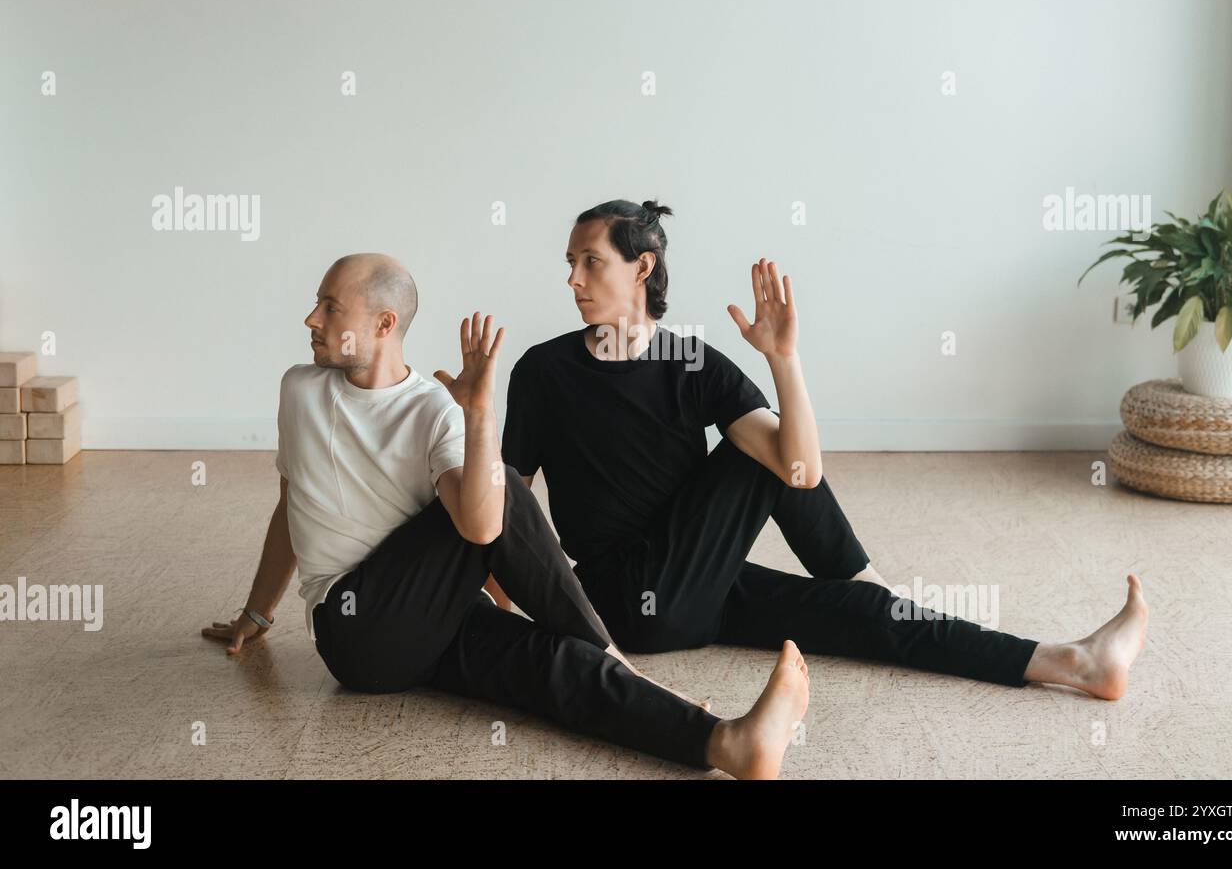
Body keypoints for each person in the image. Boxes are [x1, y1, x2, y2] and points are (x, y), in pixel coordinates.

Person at [501, 200, 1149, 700]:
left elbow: (803, 470)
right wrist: (521, 617)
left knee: (863, 614)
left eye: (590, 261)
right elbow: (506, 503)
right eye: (570, 261)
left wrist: (785, 360)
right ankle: (862, 580)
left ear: (641, 268)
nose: (572, 279)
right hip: (621, 598)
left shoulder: (692, 363)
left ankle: (1075, 663)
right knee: (762, 453)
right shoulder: (542, 371)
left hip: (700, 583)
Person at [201, 252, 810, 778]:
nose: (311, 319)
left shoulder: (434, 412)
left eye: (330, 307)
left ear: (382, 324)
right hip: (354, 628)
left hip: (432, 623)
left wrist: (475, 416)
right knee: (500, 486)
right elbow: (294, 503)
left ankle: (725, 742)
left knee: (554, 665)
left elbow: (480, 531)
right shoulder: (300, 389)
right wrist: (259, 610)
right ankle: (611, 651)